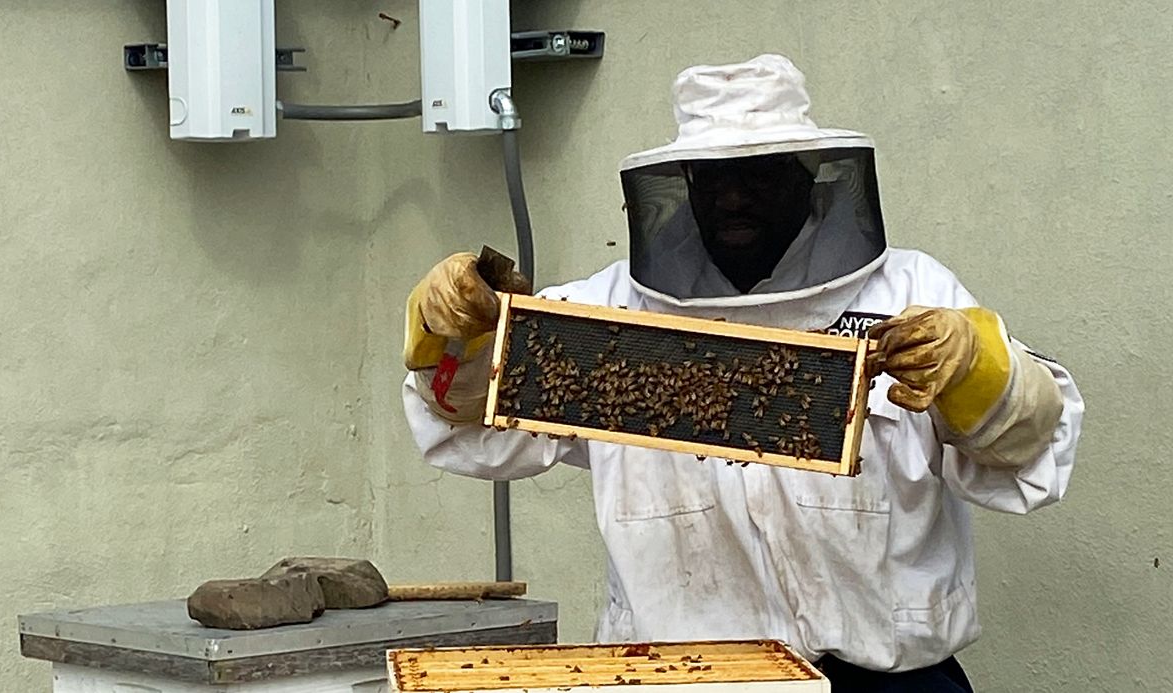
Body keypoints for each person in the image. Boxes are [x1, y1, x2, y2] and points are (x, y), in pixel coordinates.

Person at [399, 54, 1083, 692]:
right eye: (713, 180)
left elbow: (1033, 454)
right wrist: (453, 338)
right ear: (681, 186)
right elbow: (469, 428)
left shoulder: (909, 294)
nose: (732, 200)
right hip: (682, 677)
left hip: (889, 677)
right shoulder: (607, 313)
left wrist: (979, 369)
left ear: (807, 176)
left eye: (758, 176)